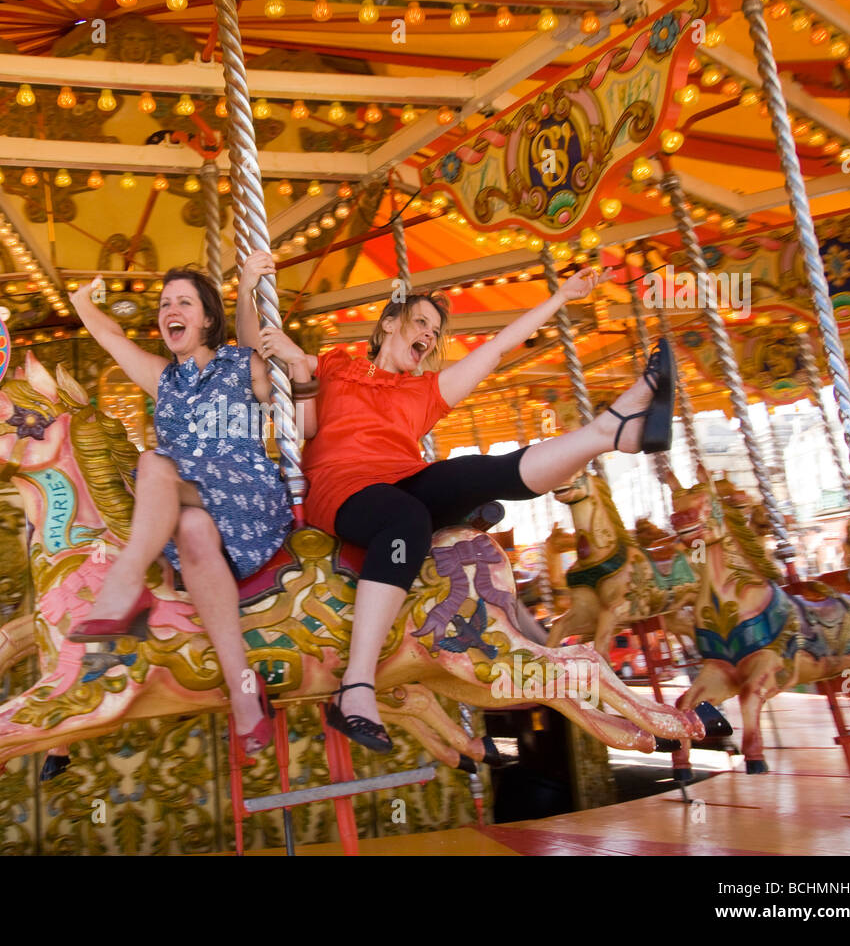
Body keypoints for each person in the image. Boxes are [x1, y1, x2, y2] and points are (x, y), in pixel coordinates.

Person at [259, 264, 675, 752]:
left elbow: (495, 349)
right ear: (388, 323)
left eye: (435, 332)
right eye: (420, 322)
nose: (428, 336)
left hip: (404, 480)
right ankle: (357, 685)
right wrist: (288, 350)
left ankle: (607, 433)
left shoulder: (424, 390)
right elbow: (260, 354)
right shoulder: (336, 366)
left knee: (475, 472)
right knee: (406, 520)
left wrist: (560, 297)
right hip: (342, 488)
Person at [65, 257, 300, 754]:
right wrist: (81, 302)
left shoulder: (242, 364)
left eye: (184, 303)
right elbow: (111, 338)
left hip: (248, 496)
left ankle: (126, 581)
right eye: (165, 304)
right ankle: (244, 693)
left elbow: (257, 347)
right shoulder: (162, 379)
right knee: (190, 527)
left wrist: (247, 287)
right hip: (197, 506)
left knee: (153, 463)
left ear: (208, 318)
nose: (170, 310)